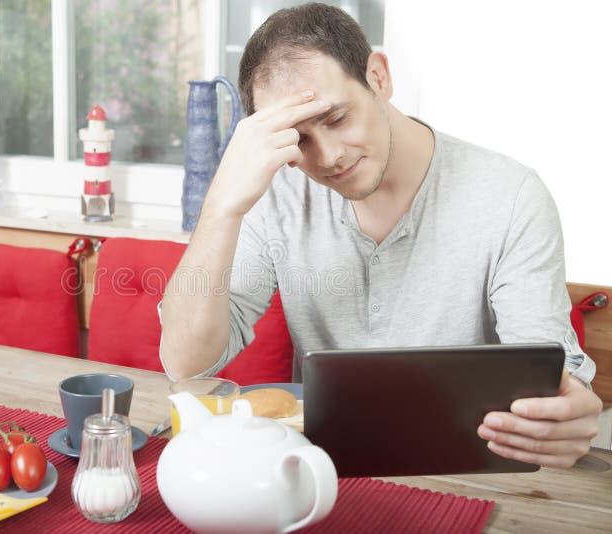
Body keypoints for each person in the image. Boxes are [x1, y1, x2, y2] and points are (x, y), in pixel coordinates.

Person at [159, 3, 602, 468]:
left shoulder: (510, 196)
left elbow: (548, 371)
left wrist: (560, 412)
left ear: (379, 76)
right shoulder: (276, 192)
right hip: (320, 471)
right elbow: (187, 364)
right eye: (299, 139)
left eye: (335, 119)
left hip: (468, 469)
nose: (328, 157)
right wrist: (222, 204)